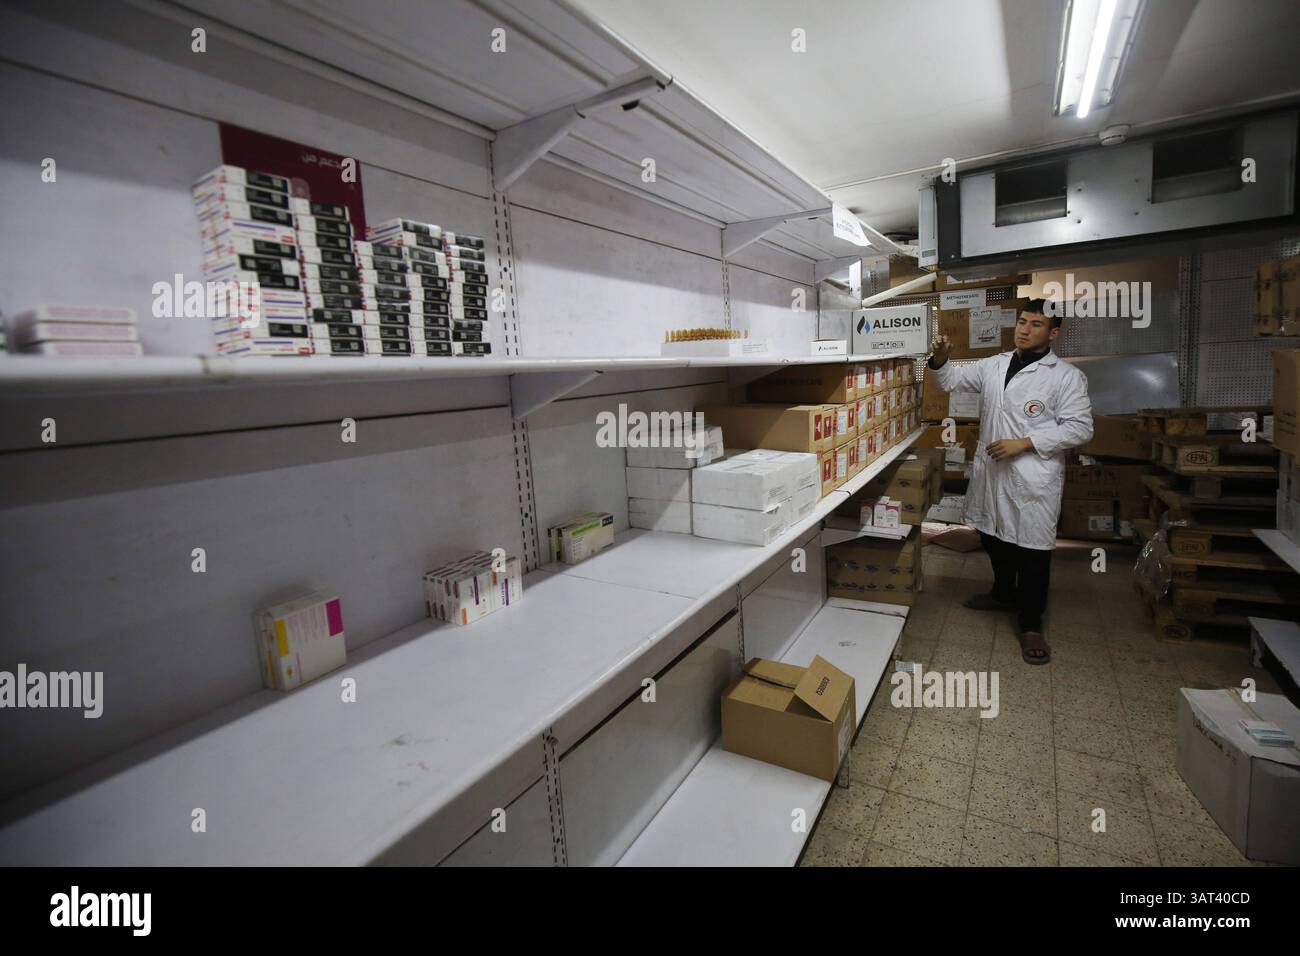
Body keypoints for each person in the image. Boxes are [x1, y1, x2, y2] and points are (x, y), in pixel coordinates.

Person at [927, 298, 1094, 664]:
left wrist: (1026, 443)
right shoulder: (993, 365)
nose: (1024, 329)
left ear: (1053, 333)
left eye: (1036, 324)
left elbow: (1080, 427)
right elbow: (951, 380)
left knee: (1032, 551)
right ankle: (1003, 594)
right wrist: (940, 357)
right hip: (992, 473)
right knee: (991, 535)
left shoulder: (1065, 377)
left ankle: (1031, 623)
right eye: (1022, 321)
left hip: (1032, 477)